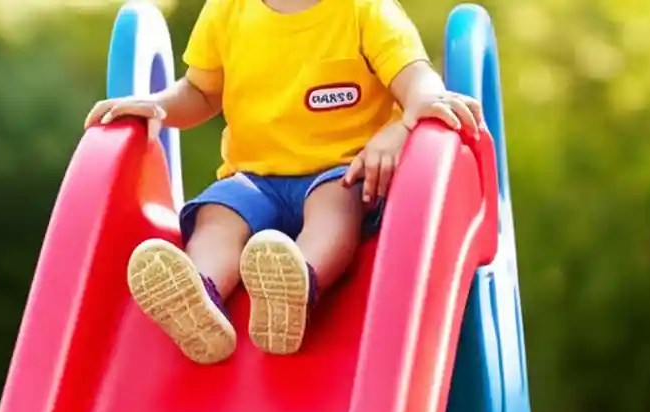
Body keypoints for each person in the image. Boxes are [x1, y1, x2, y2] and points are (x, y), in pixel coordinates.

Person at [86, 0, 484, 364]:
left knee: (334, 209)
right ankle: (199, 296)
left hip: (340, 170)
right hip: (253, 177)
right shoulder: (227, 10)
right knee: (216, 218)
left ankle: (297, 283)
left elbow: (415, 77)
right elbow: (200, 93)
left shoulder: (365, 10)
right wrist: (160, 105)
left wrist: (415, 114)